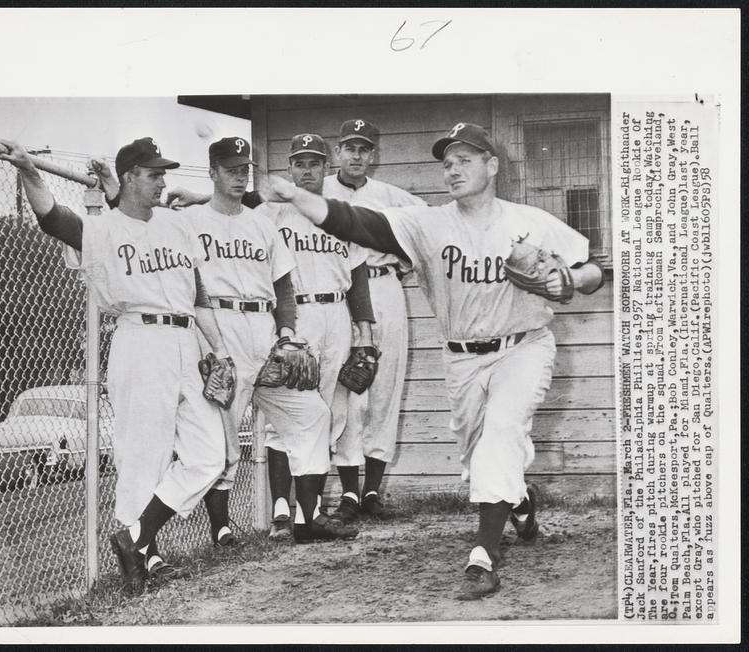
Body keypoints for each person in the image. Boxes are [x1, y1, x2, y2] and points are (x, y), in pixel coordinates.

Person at [264, 122, 605, 598]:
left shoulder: (528, 221)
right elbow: (354, 222)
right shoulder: (428, 222)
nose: (453, 168)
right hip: (463, 358)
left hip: (524, 346)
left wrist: (571, 279)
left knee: (501, 435)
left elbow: (593, 269)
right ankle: (519, 500)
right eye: (447, 161)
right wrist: (294, 196)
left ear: (492, 165)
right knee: (476, 456)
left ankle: (483, 556)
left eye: (465, 159)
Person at [94, 137, 360, 544]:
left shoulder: (262, 224)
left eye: (245, 170)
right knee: (224, 436)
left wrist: (286, 335)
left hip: (263, 331)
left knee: (312, 415)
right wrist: (114, 189)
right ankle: (220, 530)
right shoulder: (187, 221)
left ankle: (308, 519)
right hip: (217, 326)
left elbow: (284, 289)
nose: (240, 177)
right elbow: (135, 222)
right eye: (231, 169)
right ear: (213, 171)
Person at [0, 137, 231, 596]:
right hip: (139, 337)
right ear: (128, 178)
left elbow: (199, 291)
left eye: (163, 173)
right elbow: (52, 217)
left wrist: (219, 350)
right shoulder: (102, 230)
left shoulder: (174, 223)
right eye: (154, 173)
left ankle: (135, 538)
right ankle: (140, 558)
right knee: (142, 454)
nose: (163, 181)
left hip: (186, 337)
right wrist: (28, 169)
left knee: (210, 454)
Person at [255, 133, 377, 540]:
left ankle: (311, 508)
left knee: (330, 410)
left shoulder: (338, 214)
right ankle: (280, 510)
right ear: (289, 169)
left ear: (327, 168)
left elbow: (359, 277)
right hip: (297, 314)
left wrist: (364, 333)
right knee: (289, 412)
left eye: (314, 163)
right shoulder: (272, 213)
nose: (306, 170)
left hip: (335, 313)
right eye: (299, 162)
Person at [322, 119, 426, 524]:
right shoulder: (321, 192)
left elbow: (429, 224)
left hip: (384, 287)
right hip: (340, 292)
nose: (356, 156)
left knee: (384, 388)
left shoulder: (389, 196)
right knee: (346, 392)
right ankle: (348, 490)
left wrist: (405, 260)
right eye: (349, 147)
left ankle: (371, 491)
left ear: (373, 155)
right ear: (337, 152)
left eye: (364, 149)